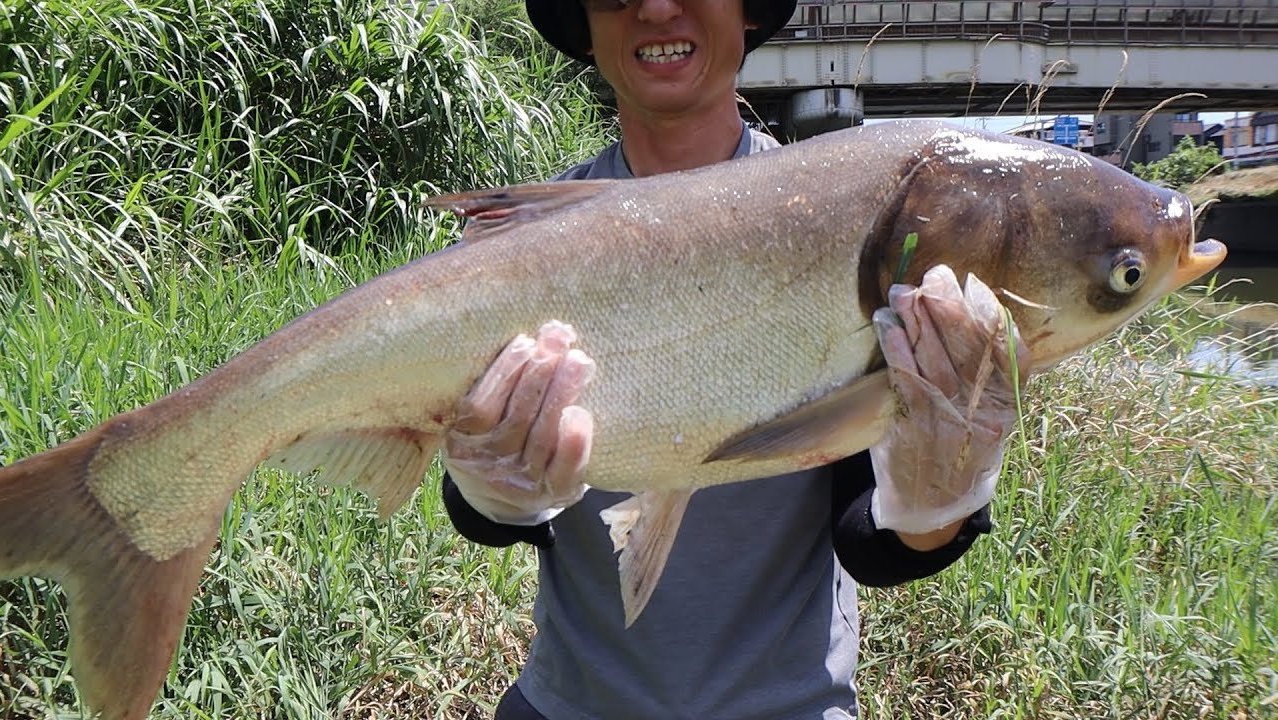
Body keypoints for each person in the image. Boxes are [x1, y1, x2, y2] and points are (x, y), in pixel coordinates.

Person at [438, 1, 1028, 717]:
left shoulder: (854, 220)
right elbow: (501, 522)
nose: (656, 8)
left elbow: (869, 540)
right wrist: (487, 484)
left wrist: (943, 492)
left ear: (747, 11)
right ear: (587, 25)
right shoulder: (526, 253)